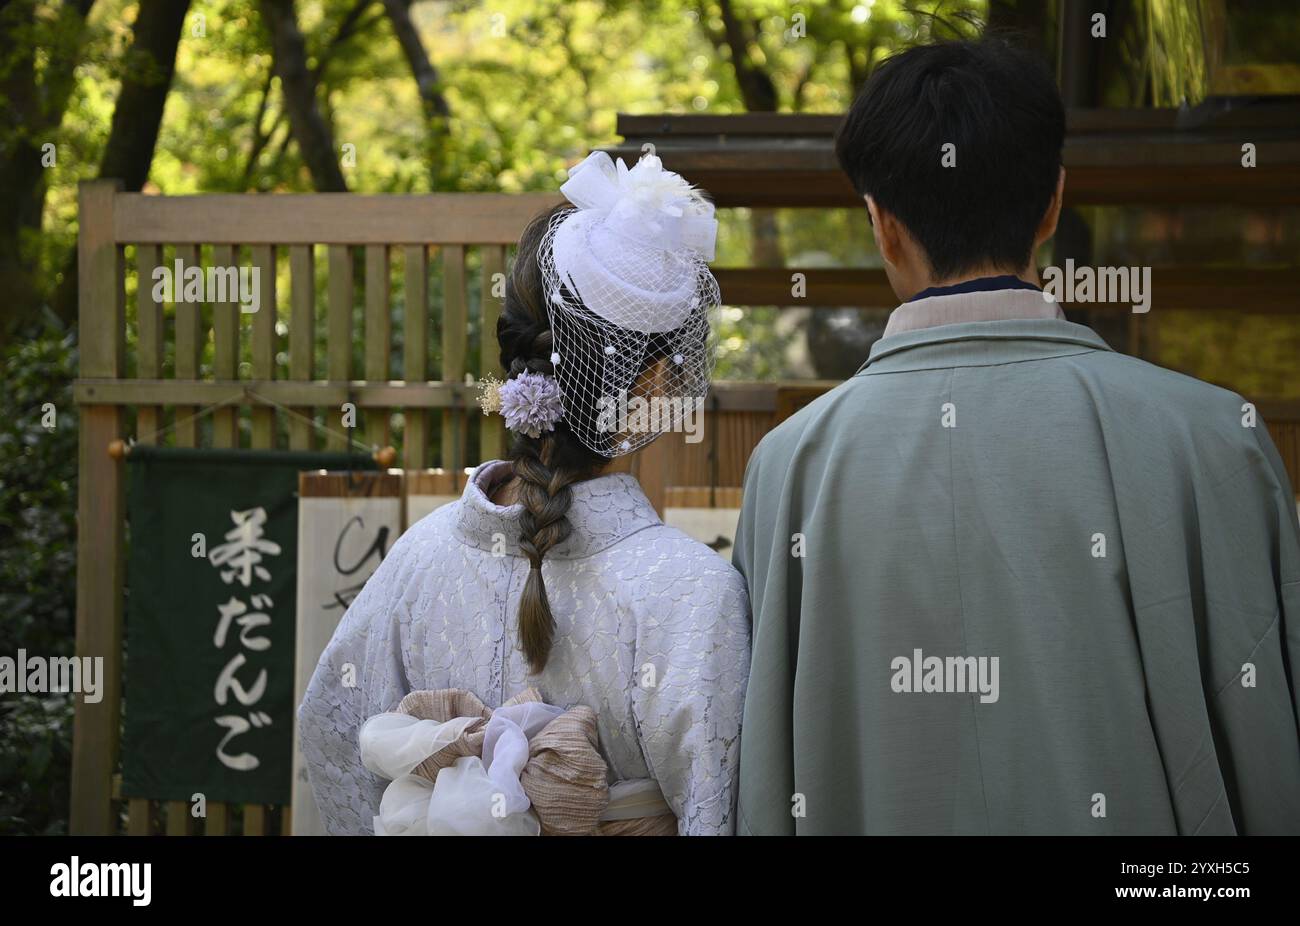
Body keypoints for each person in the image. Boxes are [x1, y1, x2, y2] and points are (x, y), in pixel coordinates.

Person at [733, 38, 1300, 835]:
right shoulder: (1214, 439)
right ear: (1053, 204)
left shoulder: (788, 469)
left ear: (880, 223)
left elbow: (764, 785)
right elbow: (1273, 761)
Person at [299, 152, 750, 836]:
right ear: (654, 383)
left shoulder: (419, 558)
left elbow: (329, 728)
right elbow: (719, 806)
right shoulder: (693, 590)